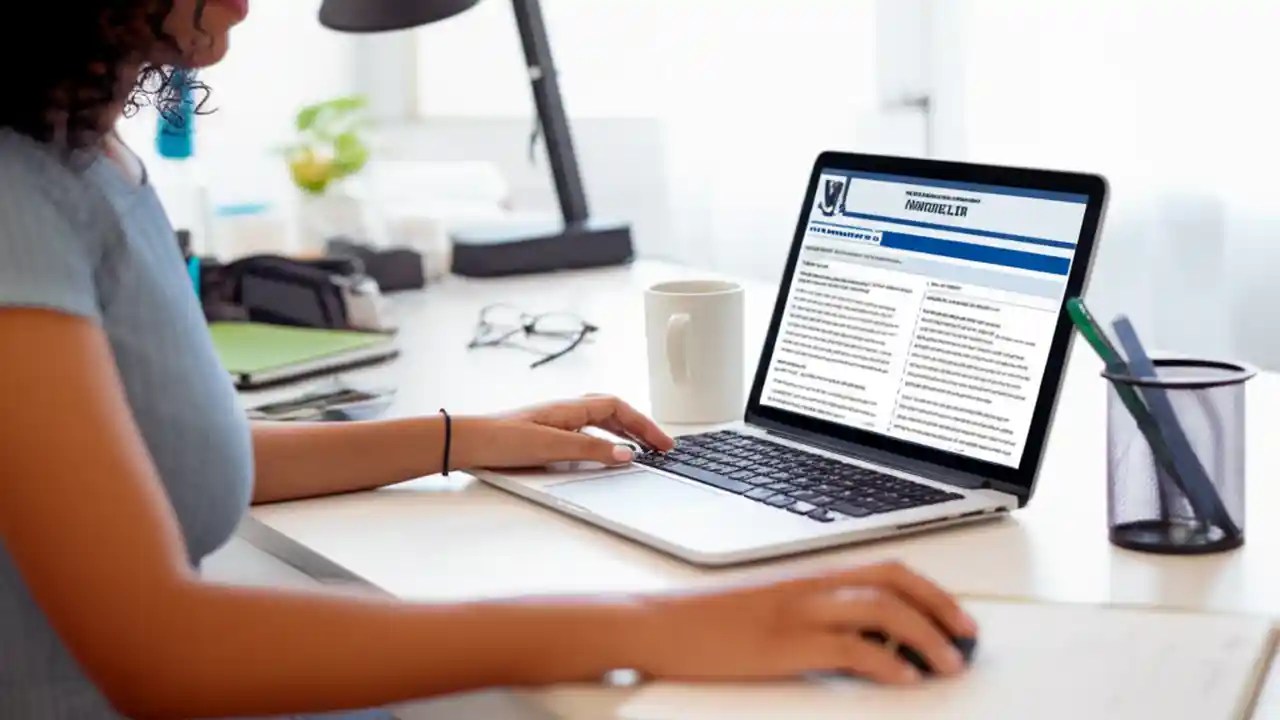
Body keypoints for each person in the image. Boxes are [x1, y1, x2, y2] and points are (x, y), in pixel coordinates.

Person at [0, 1, 978, 718]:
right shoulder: (15, 198)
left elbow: (162, 458)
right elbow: (158, 652)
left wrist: (462, 438)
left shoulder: (88, 158)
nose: (251, 2)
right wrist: (653, 623)